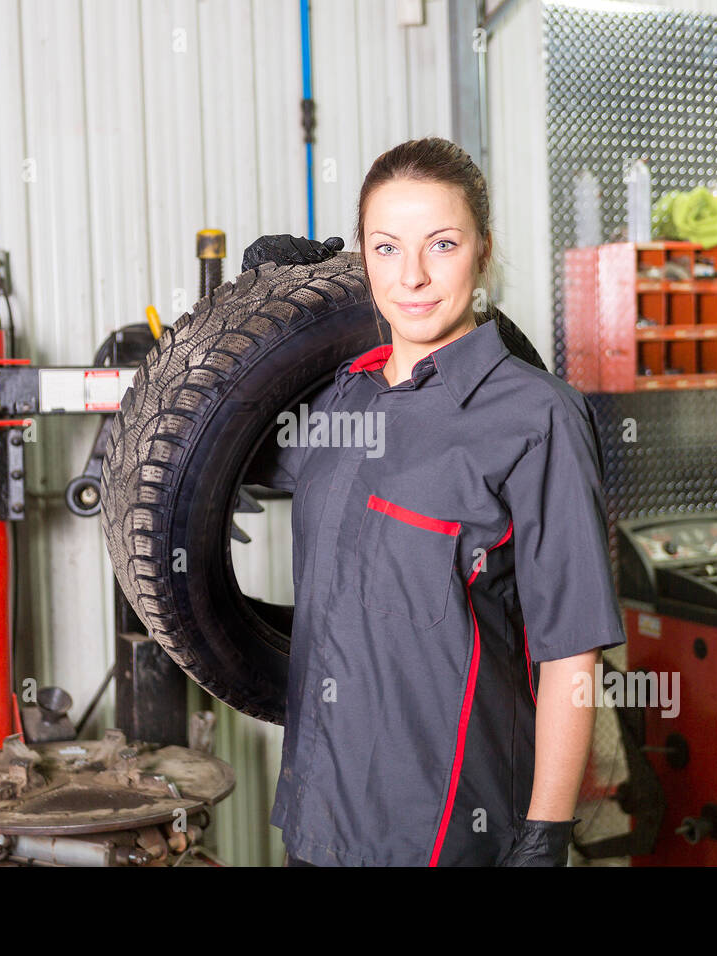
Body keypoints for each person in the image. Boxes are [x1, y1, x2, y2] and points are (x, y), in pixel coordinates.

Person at [249, 137, 626, 867]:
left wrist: (545, 836)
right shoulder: (336, 404)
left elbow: (570, 656)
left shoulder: (536, 416)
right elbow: (202, 447)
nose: (413, 275)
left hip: (450, 832)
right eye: (386, 248)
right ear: (360, 258)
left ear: (482, 251)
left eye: (442, 243)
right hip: (316, 822)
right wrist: (254, 310)